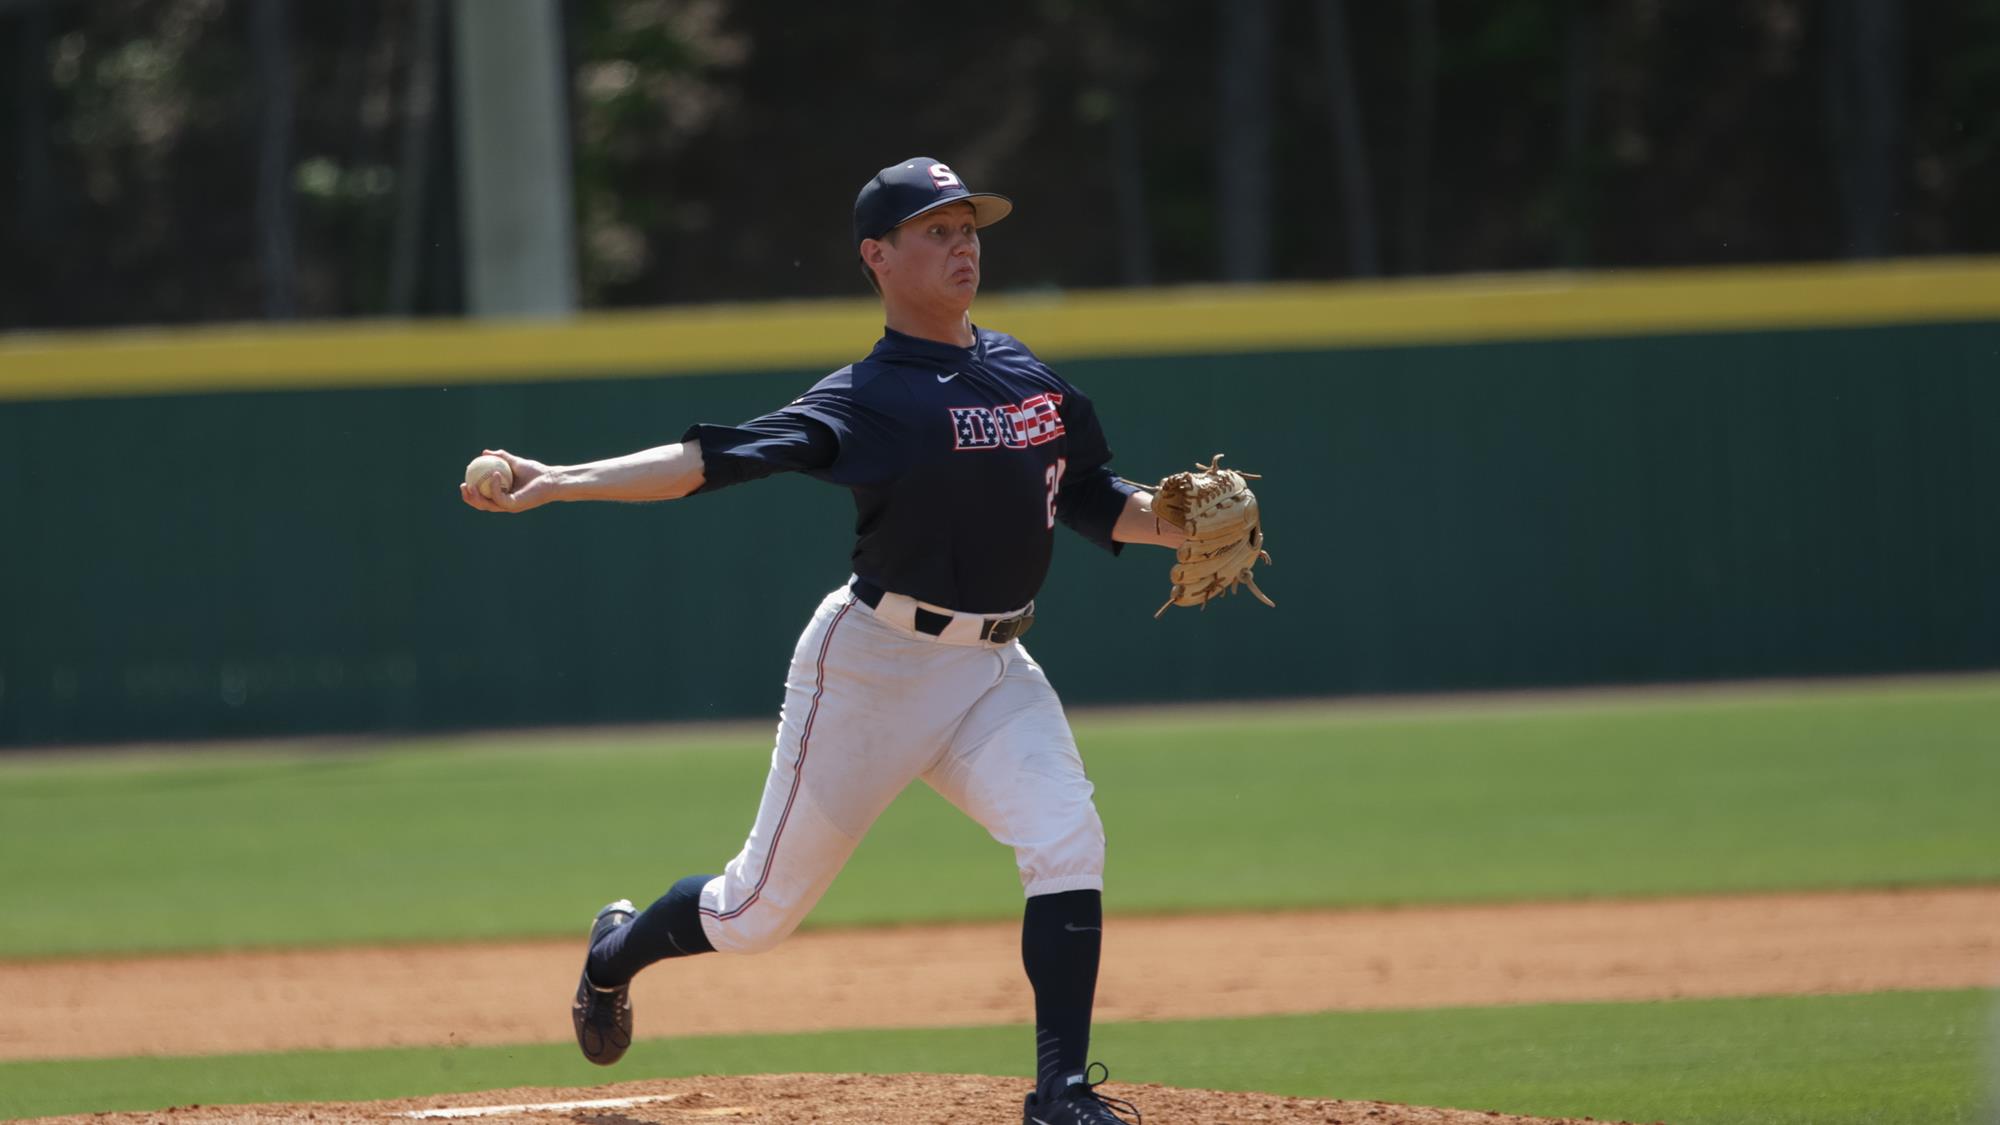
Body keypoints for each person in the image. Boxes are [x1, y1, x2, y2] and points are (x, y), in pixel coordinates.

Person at [461, 157, 1180, 1125]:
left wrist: (1170, 519)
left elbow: (1090, 496)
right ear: (876, 257)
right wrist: (560, 477)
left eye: (968, 226)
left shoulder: (1026, 375)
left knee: (1065, 838)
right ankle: (615, 951)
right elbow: (708, 460)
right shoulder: (870, 395)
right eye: (935, 229)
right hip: (873, 669)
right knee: (752, 915)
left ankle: (1059, 1091)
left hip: (991, 669)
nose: (962, 242)